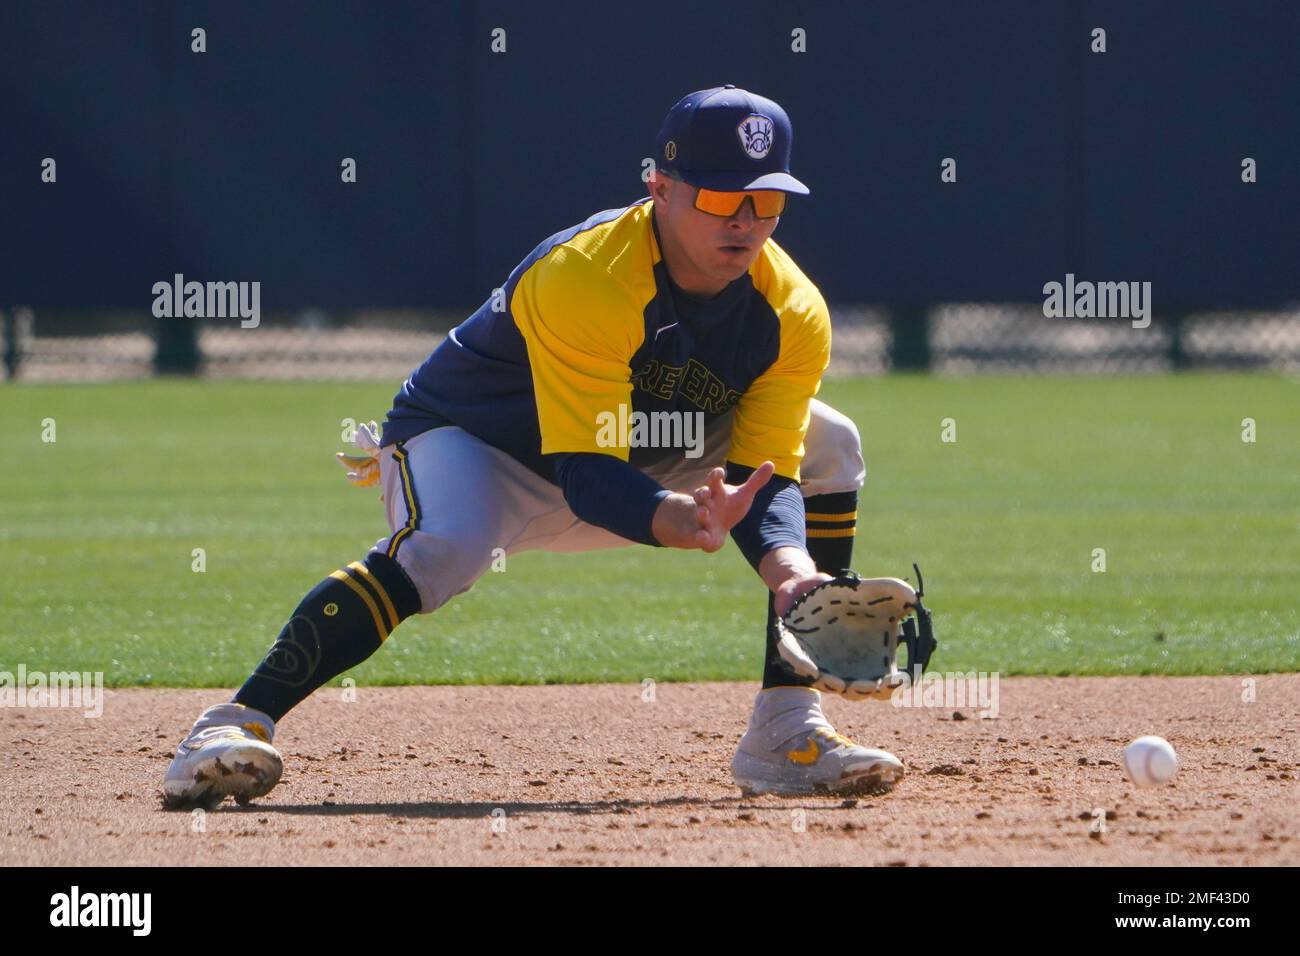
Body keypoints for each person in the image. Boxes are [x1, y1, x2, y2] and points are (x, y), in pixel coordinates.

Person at [161, 85, 904, 809]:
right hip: (481, 445)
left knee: (832, 439)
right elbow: (586, 472)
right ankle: (231, 723)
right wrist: (677, 518)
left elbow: (762, 474)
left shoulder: (791, 307)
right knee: (443, 548)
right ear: (661, 189)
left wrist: (795, 576)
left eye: (765, 202)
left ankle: (785, 731)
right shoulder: (589, 275)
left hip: (632, 463)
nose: (744, 221)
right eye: (718, 197)